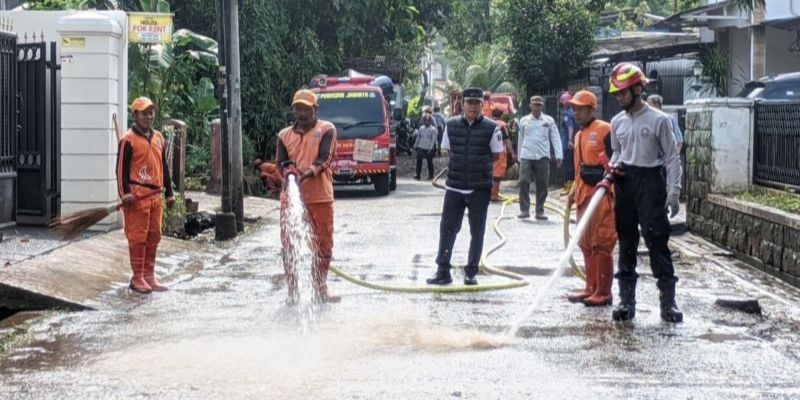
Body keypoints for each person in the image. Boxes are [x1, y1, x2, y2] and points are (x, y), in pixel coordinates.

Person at [608, 63, 683, 323]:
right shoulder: (616, 122)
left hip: (651, 182)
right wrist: (613, 165)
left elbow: (672, 158)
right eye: (616, 94)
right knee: (626, 241)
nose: (619, 98)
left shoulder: (660, 120)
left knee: (656, 240)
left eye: (623, 93)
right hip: (625, 182)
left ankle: (668, 303)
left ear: (637, 89)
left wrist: (674, 192)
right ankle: (626, 302)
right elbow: (617, 152)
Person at [427, 87, 503, 286]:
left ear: (482, 105)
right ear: (463, 103)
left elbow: (496, 155)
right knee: (447, 229)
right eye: (469, 102)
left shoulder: (492, 128)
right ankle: (443, 270)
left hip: (479, 188)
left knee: (476, 231)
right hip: (455, 186)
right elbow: (448, 150)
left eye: (477, 103)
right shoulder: (451, 125)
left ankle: (471, 272)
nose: (472, 107)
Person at [276, 89, 339, 303]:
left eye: (306, 109)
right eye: (298, 108)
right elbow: (280, 164)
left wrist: (305, 174)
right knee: (289, 245)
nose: (301, 113)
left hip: (320, 197)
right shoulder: (284, 135)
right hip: (291, 199)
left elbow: (325, 159)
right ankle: (292, 291)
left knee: (323, 244)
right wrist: (288, 174)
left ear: (316, 110)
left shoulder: (326, 129)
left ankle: (320, 287)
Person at [116, 97, 176, 294]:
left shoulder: (159, 138)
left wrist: (169, 193)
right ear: (136, 115)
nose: (149, 116)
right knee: (138, 237)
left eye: (151, 112)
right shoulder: (128, 140)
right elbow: (120, 171)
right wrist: (124, 194)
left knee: (154, 235)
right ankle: (138, 277)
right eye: (144, 113)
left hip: (155, 195)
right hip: (137, 197)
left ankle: (149, 275)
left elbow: (164, 167)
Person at [565, 90, 616, 307]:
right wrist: (573, 192)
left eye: (579, 108)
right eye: (573, 108)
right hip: (583, 197)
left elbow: (617, 160)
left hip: (602, 196)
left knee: (602, 243)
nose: (575, 113)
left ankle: (604, 292)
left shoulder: (605, 129)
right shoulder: (578, 135)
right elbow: (579, 169)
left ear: (590, 108)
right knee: (585, 243)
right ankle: (590, 287)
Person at [517, 95, 562, 220]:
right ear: (530, 106)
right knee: (523, 181)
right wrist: (519, 156)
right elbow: (521, 138)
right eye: (534, 104)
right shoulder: (524, 121)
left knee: (542, 183)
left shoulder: (549, 121)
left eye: (539, 104)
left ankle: (539, 210)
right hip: (526, 155)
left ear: (542, 106)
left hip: (543, 156)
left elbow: (555, 137)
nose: (536, 107)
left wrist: (559, 155)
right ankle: (524, 210)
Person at [490, 105, 517, 201]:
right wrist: (513, 153)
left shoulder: (487, 122)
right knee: (497, 175)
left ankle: (489, 194)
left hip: (488, 153)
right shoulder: (501, 125)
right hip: (499, 153)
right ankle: (494, 195)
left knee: (490, 173)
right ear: (501, 115)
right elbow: (506, 140)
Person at [558, 91, 578, 195]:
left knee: (568, 165)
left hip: (568, 144)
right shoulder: (574, 112)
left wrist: (570, 140)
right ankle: (572, 186)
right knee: (573, 165)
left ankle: (569, 187)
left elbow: (570, 127)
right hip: (574, 143)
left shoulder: (567, 114)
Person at [412, 114, 437, 180]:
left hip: (428, 148)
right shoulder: (421, 128)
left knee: (429, 162)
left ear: (430, 121)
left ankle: (431, 175)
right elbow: (418, 138)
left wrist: (430, 148)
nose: (426, 122)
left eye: (428, 121)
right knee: (419, 161)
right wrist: (415, 146)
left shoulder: (433, 130)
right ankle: (418, 174)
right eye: (425, 120)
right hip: (421, 147)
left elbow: (433, 140)